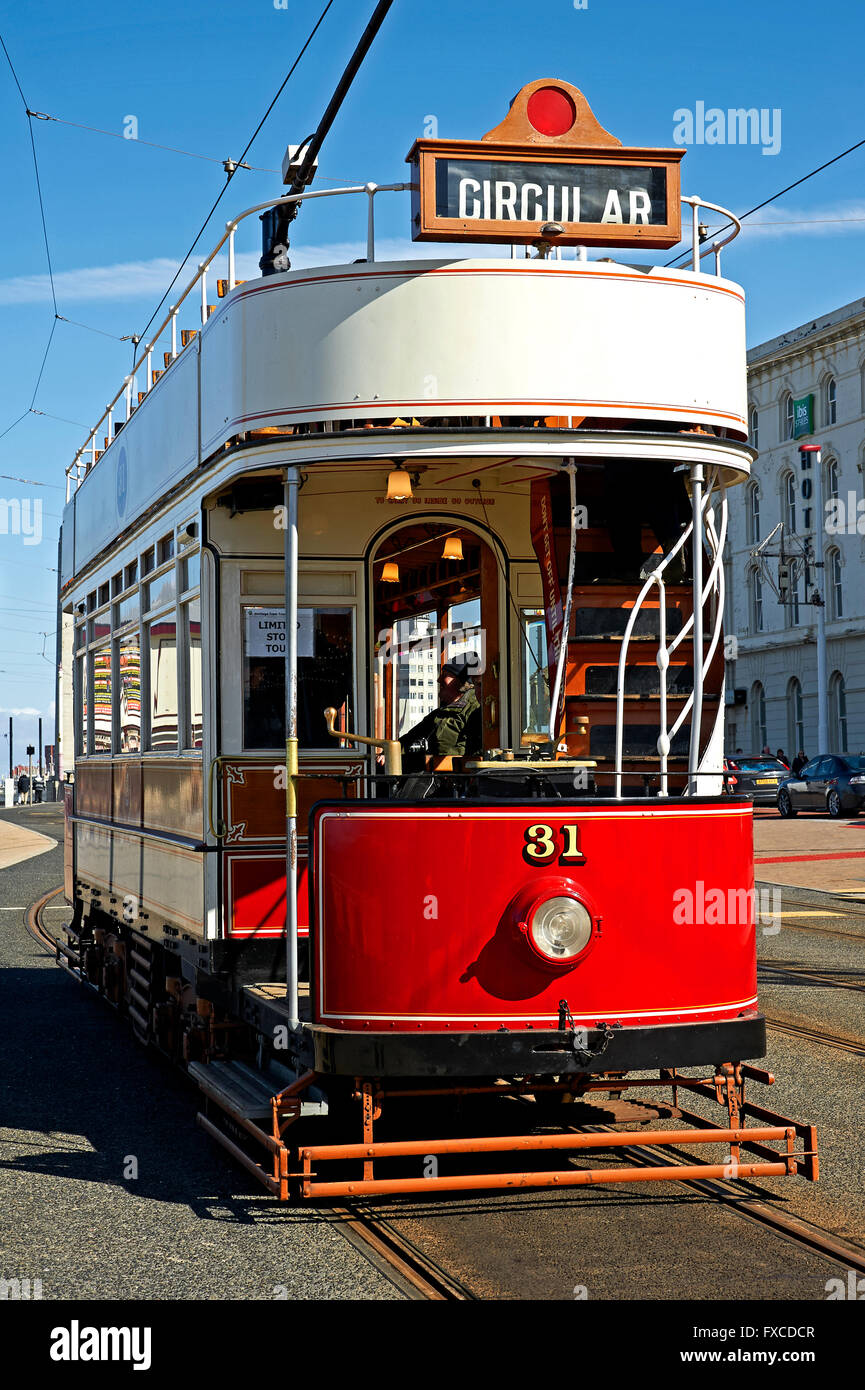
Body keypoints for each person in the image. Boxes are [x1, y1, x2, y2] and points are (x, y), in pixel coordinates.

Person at [401, 658, 482, 769]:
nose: (439, 680)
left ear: (461, 681)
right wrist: (390, 751)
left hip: (459, 777)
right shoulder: (441, 712)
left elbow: (478, 752)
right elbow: (412, 736)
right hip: (437, 772)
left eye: (445, 675)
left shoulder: (474, 709)